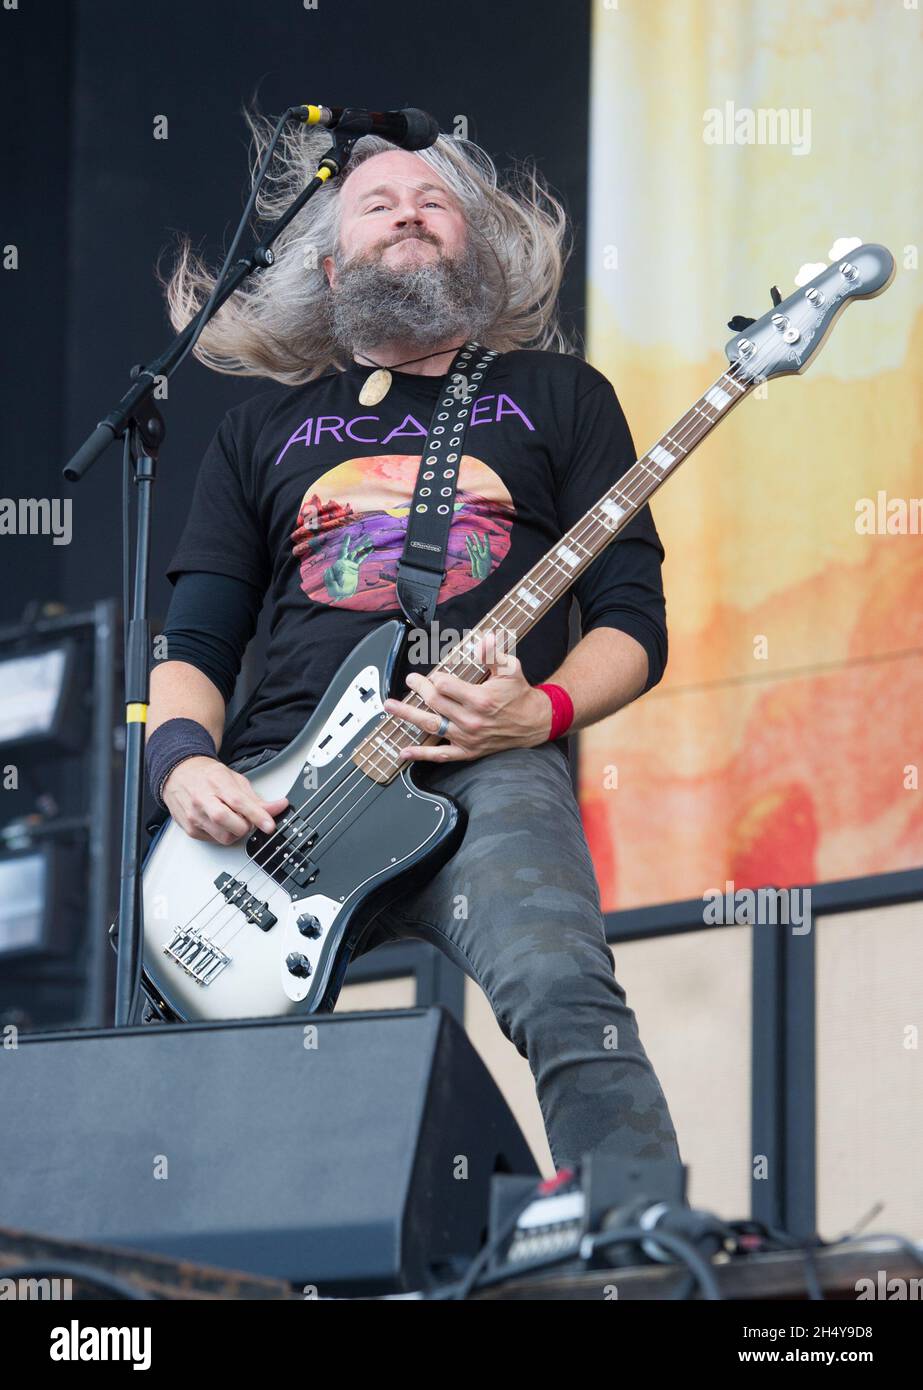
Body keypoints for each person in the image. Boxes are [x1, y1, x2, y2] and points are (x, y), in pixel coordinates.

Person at [145, 113, 682, 1173]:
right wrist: (181, 761)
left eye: (433, 201)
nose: (408, 210)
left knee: (560, 983)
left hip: (482, 760)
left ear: (472, 249)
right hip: (279, 781)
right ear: (331, 260)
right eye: (377, 201)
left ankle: (635, 1234)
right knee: (176, 1021)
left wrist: (544, 709)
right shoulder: (262, 430)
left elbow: (632, 620)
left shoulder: (559, 399)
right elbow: (195, 640)